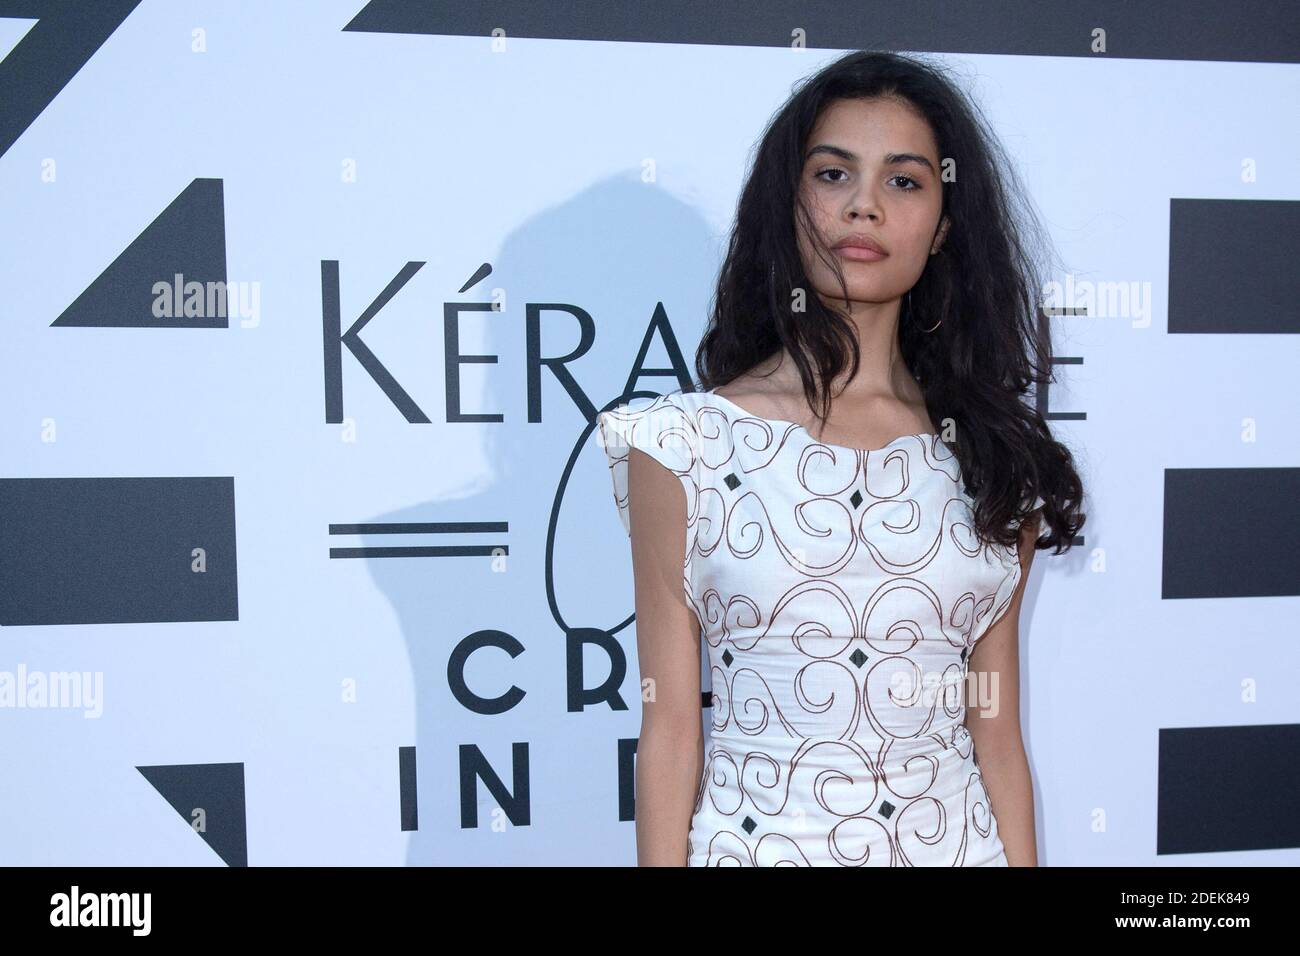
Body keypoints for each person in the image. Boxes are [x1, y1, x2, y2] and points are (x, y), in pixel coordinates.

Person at [596, 50, 1086, 867]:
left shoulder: (996, 457)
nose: (864, 207)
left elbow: (994, 732)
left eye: (903, 181)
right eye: (832, 175)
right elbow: (672, 728)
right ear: (788, 205)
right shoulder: (682, 445)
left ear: (943, 228)